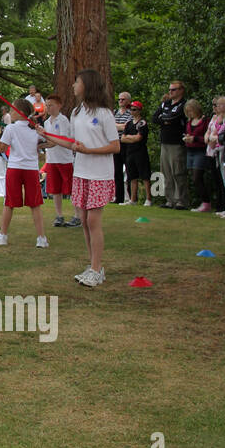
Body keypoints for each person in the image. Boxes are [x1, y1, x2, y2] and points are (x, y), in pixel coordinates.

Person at [39, 69, 120, 287]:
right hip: (81, 173)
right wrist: (46, 134)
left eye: (77, 82)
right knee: (83, 221)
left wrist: (89, 151)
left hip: (100, 175)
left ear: (88, 85)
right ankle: (94, 266)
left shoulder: (104, 114)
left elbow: (115, 145)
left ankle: (96, 269)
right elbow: (71, 142)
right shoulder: (76, 113)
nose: (74, 85)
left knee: (93, 220)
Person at [0, 98, 47, 248]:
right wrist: (39, 142)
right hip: (31, 169)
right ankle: (41, 238)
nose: (10, 113)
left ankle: (3, 236)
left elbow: (2, 149)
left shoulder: (11, 128)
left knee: (9, 203)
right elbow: (51, 142)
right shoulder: (34, 129)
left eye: (12, 110)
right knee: (35, 204)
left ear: (20, 113)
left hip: (15, 169)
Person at [41, 95, 79, 227]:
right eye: (47, 105)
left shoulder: (63, 120)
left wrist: (42, 144)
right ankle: (59, 215)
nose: (48, 108)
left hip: (65, 160)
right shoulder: (46, 122)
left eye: (51, 105)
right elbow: (48, 141)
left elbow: (60, 140)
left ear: (59, 105)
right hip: (52, 160)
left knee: (71, 189)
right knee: (55, 190)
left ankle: (77, 215)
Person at [153, 80, 189, 208]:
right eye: (169, 90)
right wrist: (165, 118)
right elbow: (155, 118)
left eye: (173, 90)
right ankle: (170, 200)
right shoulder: (165, 103)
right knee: (166, 172)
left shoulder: (183, 104)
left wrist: (166, 118)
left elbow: (174, 118)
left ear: (181, 90)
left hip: (177, 142)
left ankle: (181, 200)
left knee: (178, 171)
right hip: (165, 142)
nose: (170, 92)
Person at [183, 99, 212, 212]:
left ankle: (206, 202)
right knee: (193, 178)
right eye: (188, 111)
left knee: (197, 176)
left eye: (191, 111)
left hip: (200, 150)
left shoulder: (205, 121)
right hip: (190, 150)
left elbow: (205, 138)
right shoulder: (189, 122)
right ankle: (203, 202)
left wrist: (194, 138)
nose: (190, 113)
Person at [120, 101, 151, 205]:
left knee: (145, 175)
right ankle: (133, 199)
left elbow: (139, 138)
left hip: (140, 152)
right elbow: (123, 138)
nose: (132, 112)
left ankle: (148, 198)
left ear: (139, 110)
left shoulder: (142, 123)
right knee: (131, 176)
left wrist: (130, 137)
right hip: (130, 152)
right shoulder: (129, 123)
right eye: (131, 109)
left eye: (134, 109)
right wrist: (131, 138)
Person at [112, 91, 133, 204]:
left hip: (127, 144)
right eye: (119, 99)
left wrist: (117, 126)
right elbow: (110, 126)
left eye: (123, 99)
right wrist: (119, 127)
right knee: (117, 171)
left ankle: (131, 197)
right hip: (116, 143)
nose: (120, 101)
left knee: (129, 171)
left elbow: (128, 126)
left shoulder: (130, 113)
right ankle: (118, 197)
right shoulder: (115, 112)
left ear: (128, 101)